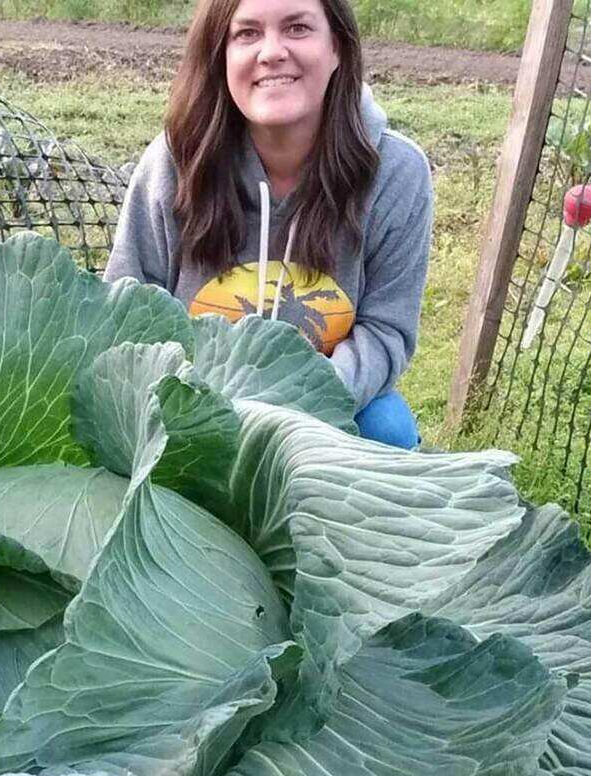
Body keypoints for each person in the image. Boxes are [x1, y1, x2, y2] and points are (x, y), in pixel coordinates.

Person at [103, 0, 433, 449]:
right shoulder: (175, 162)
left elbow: (385, 331)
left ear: (337, 46)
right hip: (192, 407)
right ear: (220, 55)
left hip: (323, 405)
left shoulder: (395, 172)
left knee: (387, 428)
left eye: (297, 28)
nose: (272, 51)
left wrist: (298, 402)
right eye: (247, 33)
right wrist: (201, 405)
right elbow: (129, 310)